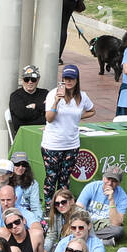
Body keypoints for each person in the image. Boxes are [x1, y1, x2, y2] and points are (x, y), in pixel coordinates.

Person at [41, 64, 95, 199]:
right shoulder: (53, 94)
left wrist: (77, 116)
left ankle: (63, 206)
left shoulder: (82, 96)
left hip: (71, 145)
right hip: (52, 145)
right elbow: (49, 118)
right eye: (66, 78)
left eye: (71, 78)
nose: (68, 81)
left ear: (77, 80)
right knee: (51, 178)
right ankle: (49, 208)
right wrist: (56, 102)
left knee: (65, 180)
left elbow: (92, 111)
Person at [76, 164, 127, 246]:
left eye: (114, 181)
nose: (110, 183)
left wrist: (111, 200)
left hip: (104, 226)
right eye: (108, 179)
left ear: (119, 183)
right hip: (87, 221)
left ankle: (83, 237)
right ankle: (102, 241)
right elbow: (78, 208)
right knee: (72, 221)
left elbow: (116, 223)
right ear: (103, 178)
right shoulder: (92, 187)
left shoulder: (123, 197)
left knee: (119, 231)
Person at [8, 63, 49, 139]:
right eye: (27, 79)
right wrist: (41, 111)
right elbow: (23, 115)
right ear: (22, 80)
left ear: (38, 80)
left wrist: (35, 106)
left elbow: (53, 110)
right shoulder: (15, 96)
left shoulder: (45, 93)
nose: (30, 82)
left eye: (33, 79)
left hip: (45, 133)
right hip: (24, 135)